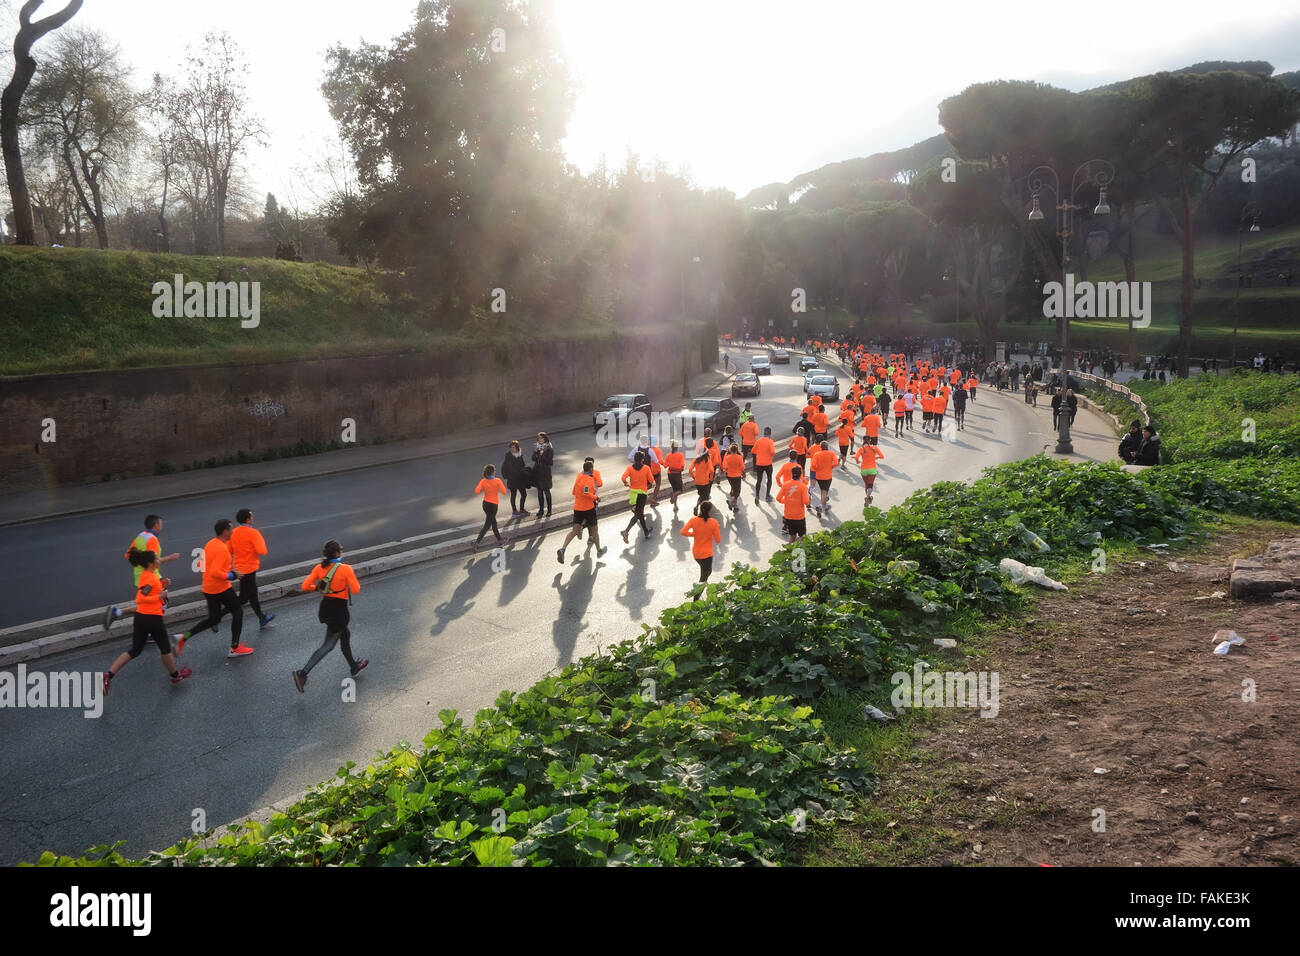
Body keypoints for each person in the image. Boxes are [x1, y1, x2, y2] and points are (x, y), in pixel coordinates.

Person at [102, 549, 192, 696]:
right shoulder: (150, 578)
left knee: (135, 650)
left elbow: (147, 592)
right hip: (152, 618)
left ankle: (108, 675)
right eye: (156, 559)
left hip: (141, 618)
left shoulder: (146, 575)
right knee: (165, 649)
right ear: (151, 563)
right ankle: (175, 676)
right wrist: (160, 595)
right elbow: (140, 598)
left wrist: (162, 585)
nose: (159, 560)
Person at [292, 539, 367, 693]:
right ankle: (302, 673)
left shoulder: (319, 568)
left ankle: (354, 666)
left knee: (345, 635)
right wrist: (346, 581)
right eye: (342, 549)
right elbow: (357, 589)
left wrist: (319, 588)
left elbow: (305, 586)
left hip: (325, 608)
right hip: (339, 612)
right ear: (338, 553)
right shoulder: (346, 569)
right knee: (328, 645)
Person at [174, 519, 253, 658]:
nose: (233, 531)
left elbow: (210, 566)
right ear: (225, 531)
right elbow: (215, 572)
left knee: (214, 619)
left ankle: (183, 637)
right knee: (238, 612)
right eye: (231, 529)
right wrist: (232, 574)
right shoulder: (222, 549)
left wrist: (228, 570)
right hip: (220, 588)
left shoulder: (211, 543)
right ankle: (234, 648)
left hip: (209, 588)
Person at [104, 514, 181, 630]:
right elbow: (154, 561)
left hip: (140, 576)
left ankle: (118, 613)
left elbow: (128, 555)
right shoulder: (152, 540)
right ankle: (149, 629)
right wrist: (170, 557)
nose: (162, 526)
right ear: (156, 525)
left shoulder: (141, 536)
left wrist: (140, 565)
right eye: (161, 524)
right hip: (151, 575)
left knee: (148, 604)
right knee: (160, 603)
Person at [231, 508, 275, 628]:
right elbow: (262, 551)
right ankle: (216, 617)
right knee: (244, 598)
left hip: (239, 568)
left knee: (252, 595)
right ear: (248, 519)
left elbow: (229, 549)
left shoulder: (233, 532)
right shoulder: (253, 533)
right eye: (251, 516)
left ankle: (262, 618)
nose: (252, 518)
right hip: (249, 568)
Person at [558, 460, 607, 561]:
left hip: (577, 508)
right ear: (591, 469)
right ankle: (599, 550)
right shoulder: (589, 479)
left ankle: (563, 549)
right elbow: (586, 492)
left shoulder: (579, 476)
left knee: (574, 531)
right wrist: (595, 497)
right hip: (588, 508)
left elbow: (574, 492)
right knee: (594, 530)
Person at [473, 464, 510, 552]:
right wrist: (497, 487)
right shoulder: (497, 481)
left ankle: (500, 539)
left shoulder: (483, 481)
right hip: (493, 505)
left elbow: (477, 491)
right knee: (487, 525)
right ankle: (477, 542)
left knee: (493, 522)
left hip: (485, 504)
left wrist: (484, 486)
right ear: (493, 472)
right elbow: (504, 492)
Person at [620, 451, 655, 542]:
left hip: (633, 494)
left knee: (640, 513)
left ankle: (646, 531)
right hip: (642, 494)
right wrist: (648, 484)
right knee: (639, 514)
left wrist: (626, 483)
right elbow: (651, 480)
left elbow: (623, 477)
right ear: (642, 460)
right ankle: (626, 531)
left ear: (634, 459)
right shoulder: (646, 468)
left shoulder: (629, 468)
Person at [776, 465, 810, 543]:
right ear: (800, 475)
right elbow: (806, 502)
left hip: (788, 515)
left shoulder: (786, 484)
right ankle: (792, 547)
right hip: (799, 516)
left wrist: (787, 501)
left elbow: (778, 498)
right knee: (803, 536)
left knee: (792, 536)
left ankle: (790, 550)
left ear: (792, 474)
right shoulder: (803, 486)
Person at [809, 441, 838, 517]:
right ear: (827, 447)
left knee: (823, 491)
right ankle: (820, 506)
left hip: (819, 476)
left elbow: (813, 465)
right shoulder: (831, 453)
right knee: (824, 492)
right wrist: (830, 467)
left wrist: (818, 469)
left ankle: (825, 507)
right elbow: (836, 463)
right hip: (828, 476)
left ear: (820, 447)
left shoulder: (816, 454)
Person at [501, 440, 529, 516]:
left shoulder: (519, 454)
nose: (512, 449)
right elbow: (505, 468)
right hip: (513, 480)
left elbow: (522, 465)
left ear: (517, 448)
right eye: (511, 447)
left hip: (520, 479)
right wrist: (509, 477)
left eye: (514, 447)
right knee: (513, 495)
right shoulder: (508, 456)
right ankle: (514, 511)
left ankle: (522, 509)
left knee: (524, 494)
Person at [531, 433, 555, 518]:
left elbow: (550, 462)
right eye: (538, 438)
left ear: (545, 439)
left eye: (541, 438)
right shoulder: (537, 447)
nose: (540, 440)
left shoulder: (549, 448)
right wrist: (535, 452)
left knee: (547, 491)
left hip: (545, 473)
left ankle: (549, 510)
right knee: (539, 492)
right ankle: (541, 510)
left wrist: (542, 455)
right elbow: (533, 458)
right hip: (538, 472)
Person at [855, 442, 885, 506]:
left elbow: (856, 457)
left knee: (866, 484)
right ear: (870, 441)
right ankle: (868, 496)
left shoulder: (861, 449)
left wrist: (858, 462)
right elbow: (882, 456)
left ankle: (868, 498)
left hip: (863, 470)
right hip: (872, 469)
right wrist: (876, 458)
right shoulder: (874, 448)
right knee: (870, 485)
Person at [752, 427, 776, 502]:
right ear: (770, 434)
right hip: (768, 463)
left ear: (764, 433)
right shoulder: (770, 441)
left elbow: (753, 451)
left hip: (759, 463)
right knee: (769, 479)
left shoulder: (758, 441)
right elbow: (772, 452)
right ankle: (767, 496)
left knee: (759, 480)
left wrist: (760, 453)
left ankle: (757, 495)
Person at [664, 439, 687, 512]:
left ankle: (675, 506)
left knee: (675, 489)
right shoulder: (680, 455)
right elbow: (682, 465)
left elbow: (665, 465)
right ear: (677, 447)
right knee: (680, 490)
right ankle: (672, 495)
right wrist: (681, 468)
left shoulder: (668, 455)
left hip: (670, 474)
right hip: (677, 474)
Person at [689, 450, 715, 515]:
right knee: (705, 497)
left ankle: (697, 506)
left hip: (697, 482)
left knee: (701, 495)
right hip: (705, 481)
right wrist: (711, 479)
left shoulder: (696, 459)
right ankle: (702, 511)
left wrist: (694, 477)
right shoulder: (707, 460)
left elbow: (690, 469)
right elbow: (712, 471)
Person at [722, 442, 746, 511]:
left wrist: (725, 470)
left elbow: (725, 466)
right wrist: (744, 473)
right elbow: (742, 467)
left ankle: (735, 506)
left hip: (729, 475)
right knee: (737, 491)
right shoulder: (739, 457)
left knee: (733, 489)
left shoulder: (727, 457)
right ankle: (732, 502)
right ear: (736, 450)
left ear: (730, 450)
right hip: (737, 476)